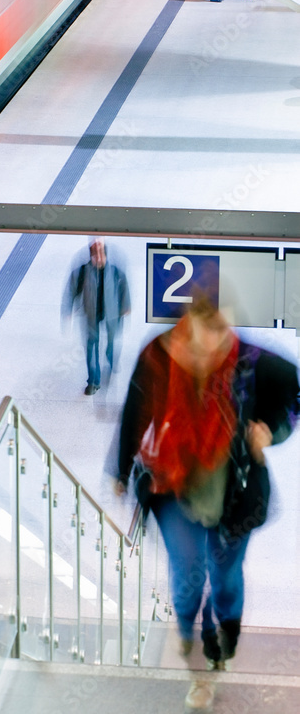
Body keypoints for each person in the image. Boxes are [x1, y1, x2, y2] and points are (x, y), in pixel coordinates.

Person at [115, 297, 299, 709]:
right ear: (187, 330)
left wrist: (271, 429)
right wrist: (121, 467)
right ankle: (197, 660)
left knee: (225, 580)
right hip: (172, 491)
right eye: (202, 339)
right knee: (186, 584)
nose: (211, 351)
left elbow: (294, 392)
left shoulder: (249, 363)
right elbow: (135, 408)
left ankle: (222, 645)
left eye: (222, 337)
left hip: (235, 495)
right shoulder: (160, 357)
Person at [62, 237, 130, 395]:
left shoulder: (114, 270)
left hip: (112, 313)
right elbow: (71, 290)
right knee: (92, 346)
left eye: (101, 254)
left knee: (112, 341)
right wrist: (67, 310)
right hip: (91, 314)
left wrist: (126, 306)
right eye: (95, 255)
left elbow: (124, 286)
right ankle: (93, 381)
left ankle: (111, 361)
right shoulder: (82, 271)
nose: (99, 258)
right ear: (90, 255)